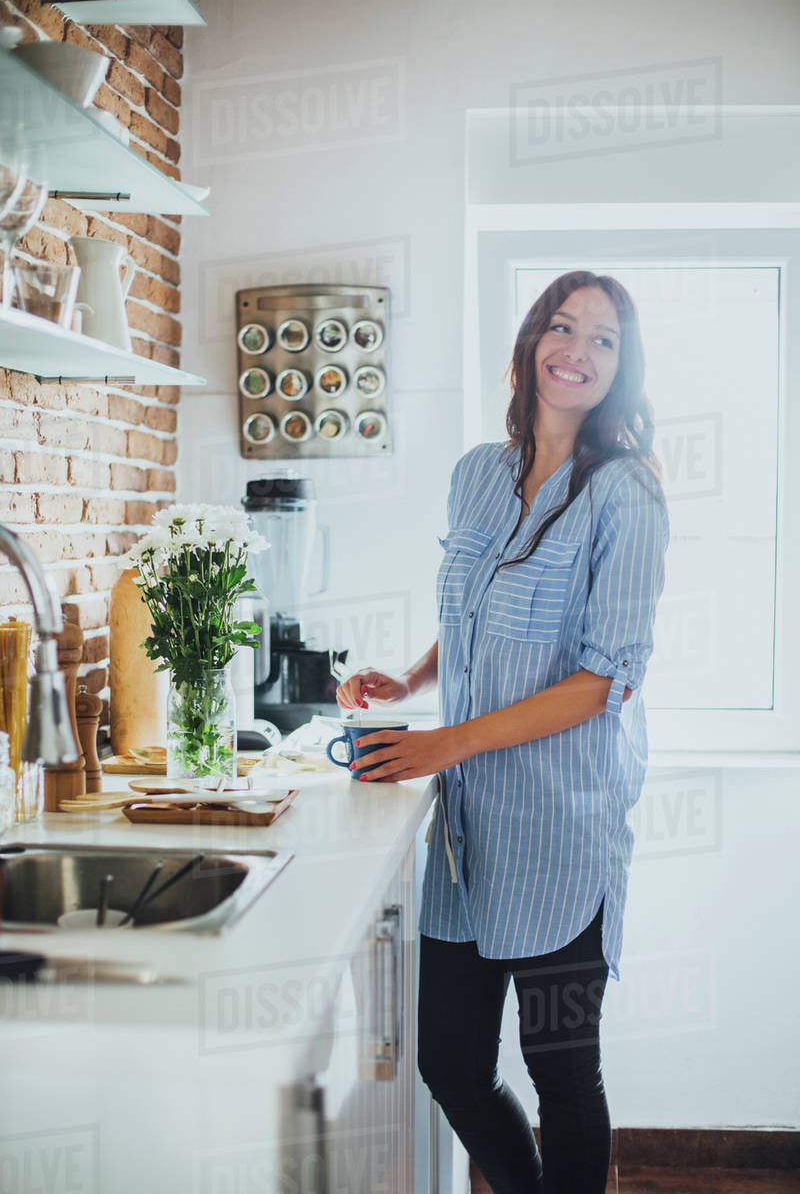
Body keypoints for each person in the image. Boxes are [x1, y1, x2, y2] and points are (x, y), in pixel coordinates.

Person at [336, 270, 669, 1194]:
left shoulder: (626, 495)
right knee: (447, 1059)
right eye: (563, 328)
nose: (578, 351)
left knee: (563, 1072)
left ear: (622, 367)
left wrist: (444, 743)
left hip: (562, 829)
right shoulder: (476, 474)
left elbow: (606, 680)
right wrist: (408, 678)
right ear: (529, 344)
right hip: (470, 834)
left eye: (604, 340)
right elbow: (476, 614)